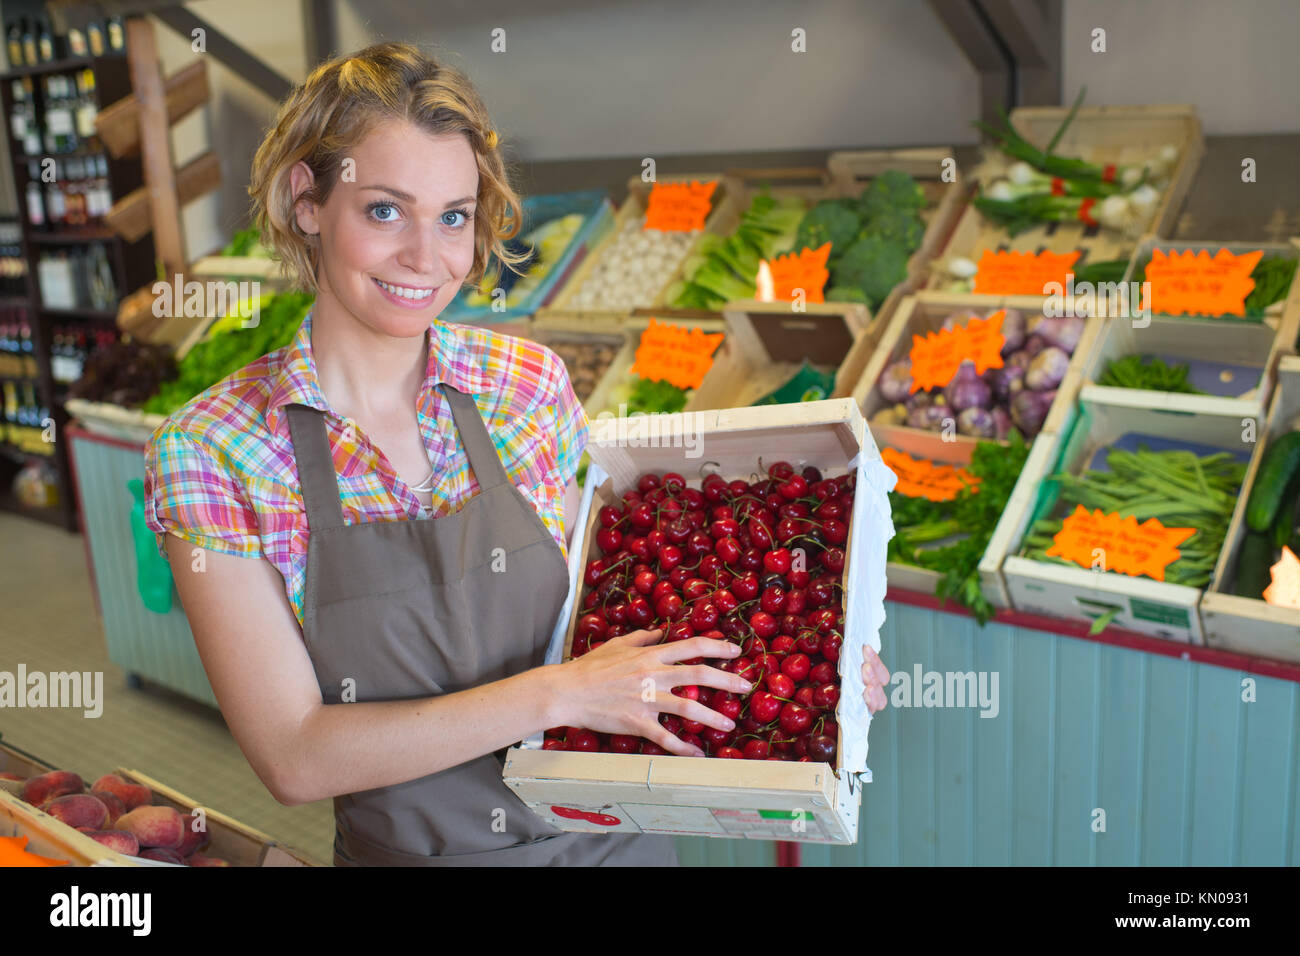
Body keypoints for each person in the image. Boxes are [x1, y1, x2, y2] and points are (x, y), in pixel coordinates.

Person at [143, 41, 891, 867]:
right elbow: (294, 755)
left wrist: (810, 666)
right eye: (385, 210)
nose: (428, 259)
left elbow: (614, 621)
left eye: (454, 217)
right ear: (308, 202)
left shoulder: (523, 384)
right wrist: (560, 695)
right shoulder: (216, 452)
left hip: (618, 849)